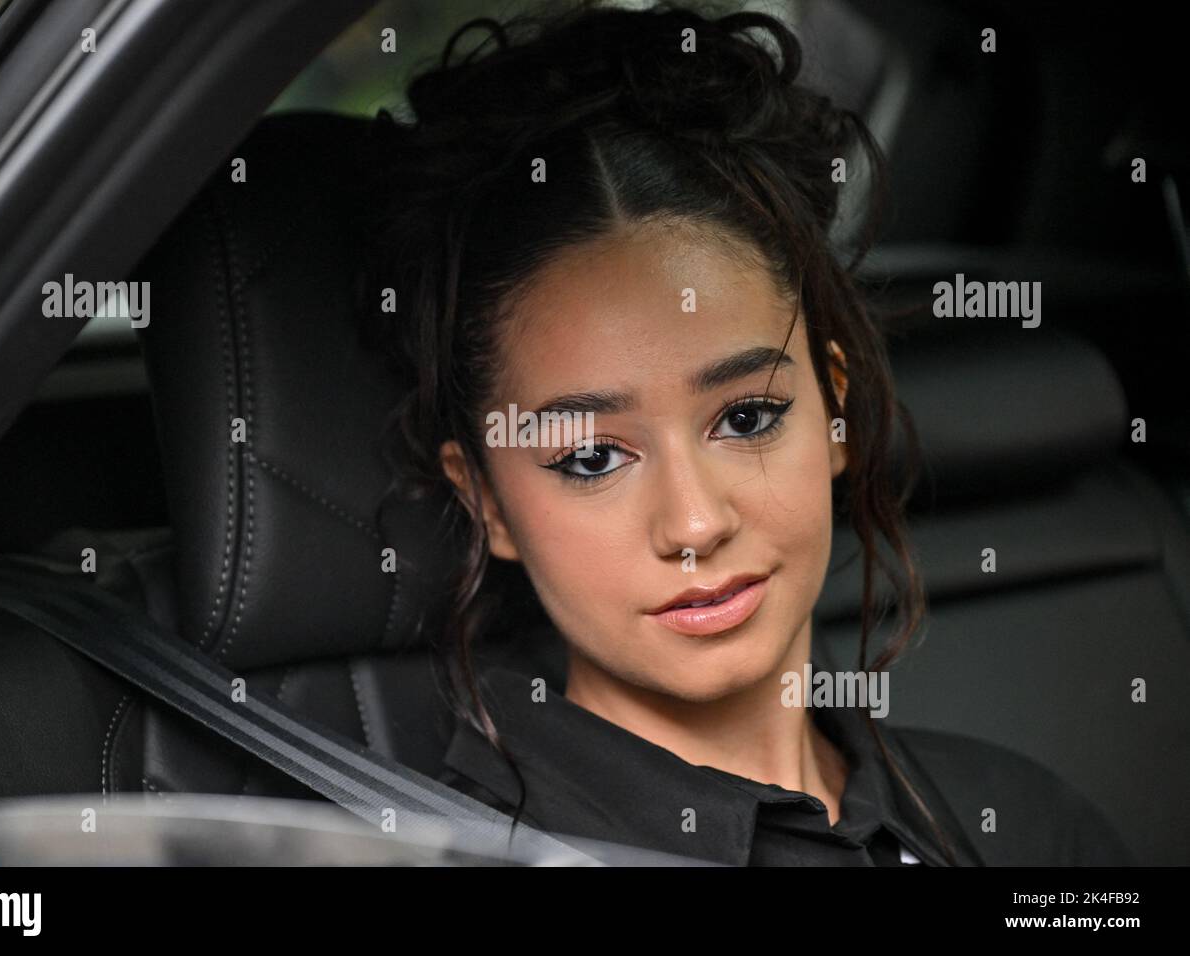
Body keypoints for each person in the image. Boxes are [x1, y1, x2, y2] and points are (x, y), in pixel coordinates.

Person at [356, 0, 1132, 866]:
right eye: (590, 457)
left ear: (835, 409)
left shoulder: (1024, 825)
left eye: (748, 417)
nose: (694, 524)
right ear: (487, 501)